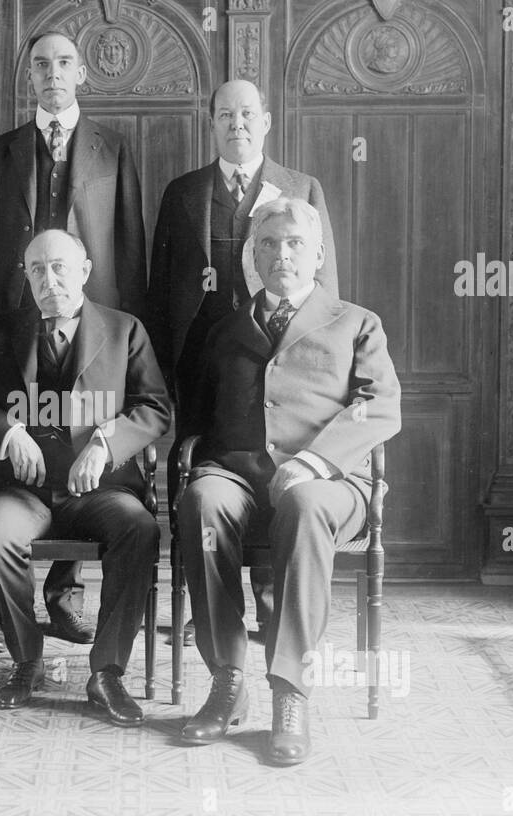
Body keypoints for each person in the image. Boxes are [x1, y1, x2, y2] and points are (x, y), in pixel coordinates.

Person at [176, 198, 399, 766]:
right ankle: (228, 678)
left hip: (330, 483)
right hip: (239, 477)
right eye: (270, 243)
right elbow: (198, 417)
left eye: (296, 243)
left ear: (319, 254)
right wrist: (200, 459)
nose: (282, 254)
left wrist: (316, 461)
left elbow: (382, 407)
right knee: (202, 502)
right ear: (254, 255)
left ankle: (290, 691)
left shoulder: (356, 321)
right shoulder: (226, 327)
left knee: (301, 505)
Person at [0, 32, 147, 642]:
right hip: (18, 316)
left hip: (91, 318)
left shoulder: (111, 147)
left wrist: (123, 322)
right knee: (28, 450)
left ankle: (66, 594)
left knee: (81, 443)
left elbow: (128, 241)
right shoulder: (5, 149)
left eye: (64, 63)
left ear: (82, 73)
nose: (53, 74)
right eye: (41, 65)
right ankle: (10, 619)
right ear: (30, 76)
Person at [0, 230, 170, 726]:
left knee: (141, 529)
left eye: (61, 268)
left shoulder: (124, 329)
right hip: (22, 491)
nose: (50, 280)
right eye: (38, 270)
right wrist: (7, 431)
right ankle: (26, 660)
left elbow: (155, 408)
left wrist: (106, 441)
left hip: (100, 490)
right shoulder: (2, 331)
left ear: (85, 271)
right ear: (26, 277)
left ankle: (106, 673)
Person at [147, 78, 340, 646]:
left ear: (267, 120)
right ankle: (207, 602)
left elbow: (324, 285)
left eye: (247, 113)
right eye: (226, 114)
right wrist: (163, 360)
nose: (237, 124)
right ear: (212, 123)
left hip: (279, 352)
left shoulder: (300, 187)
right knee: (208, 473)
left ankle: (271, 601)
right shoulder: (184, 192)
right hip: (204, 359)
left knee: (273, 460)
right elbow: (161, 290)